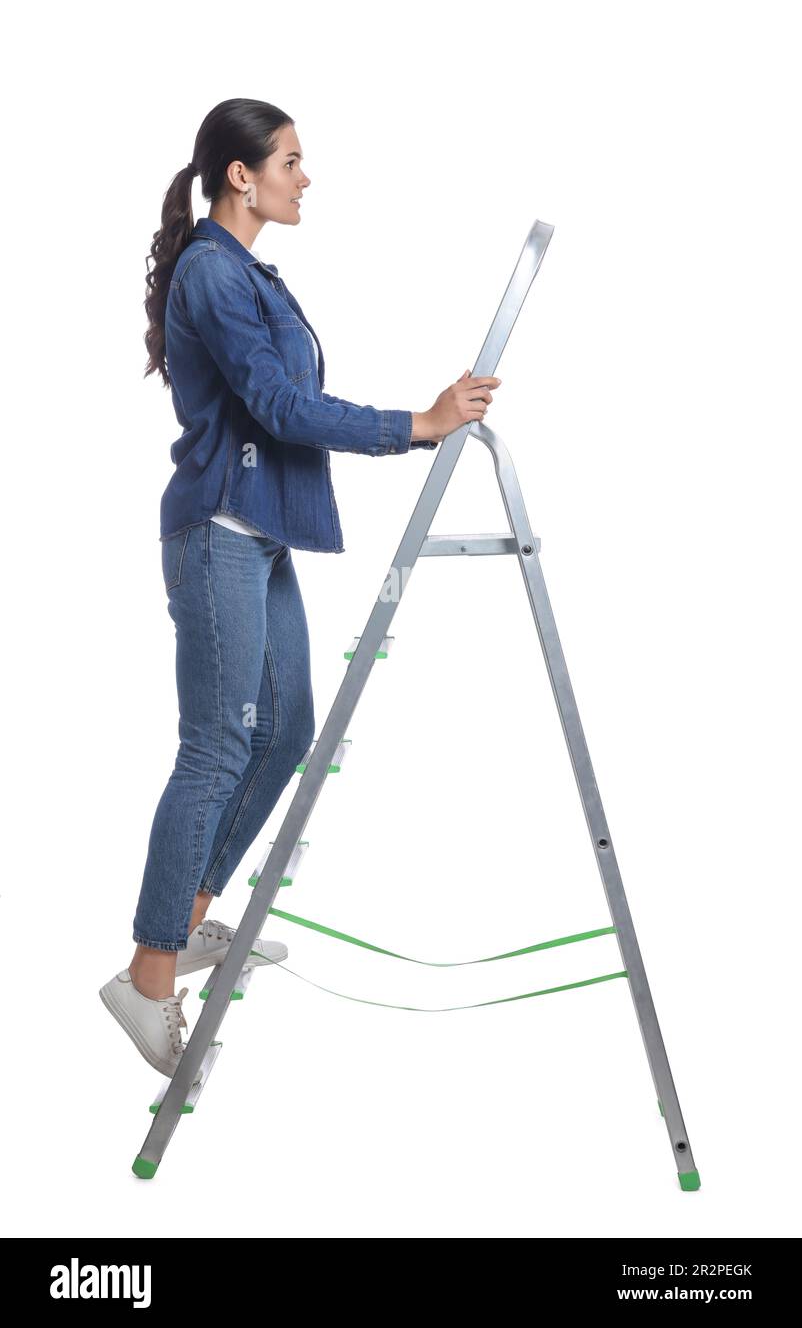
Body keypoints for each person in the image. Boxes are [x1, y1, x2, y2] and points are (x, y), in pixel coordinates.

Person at [99, 97, 501, 1078]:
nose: (304, 174)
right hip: (217, 534)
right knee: (217, 744)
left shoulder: (246, 273)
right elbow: (280, 407)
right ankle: (149, 975)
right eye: (290, 158)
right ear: (243, 174)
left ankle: (186, 920)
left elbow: (280, 402)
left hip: (261, 533)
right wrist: (416, 420)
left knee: (282, 732)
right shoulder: (211, 271)